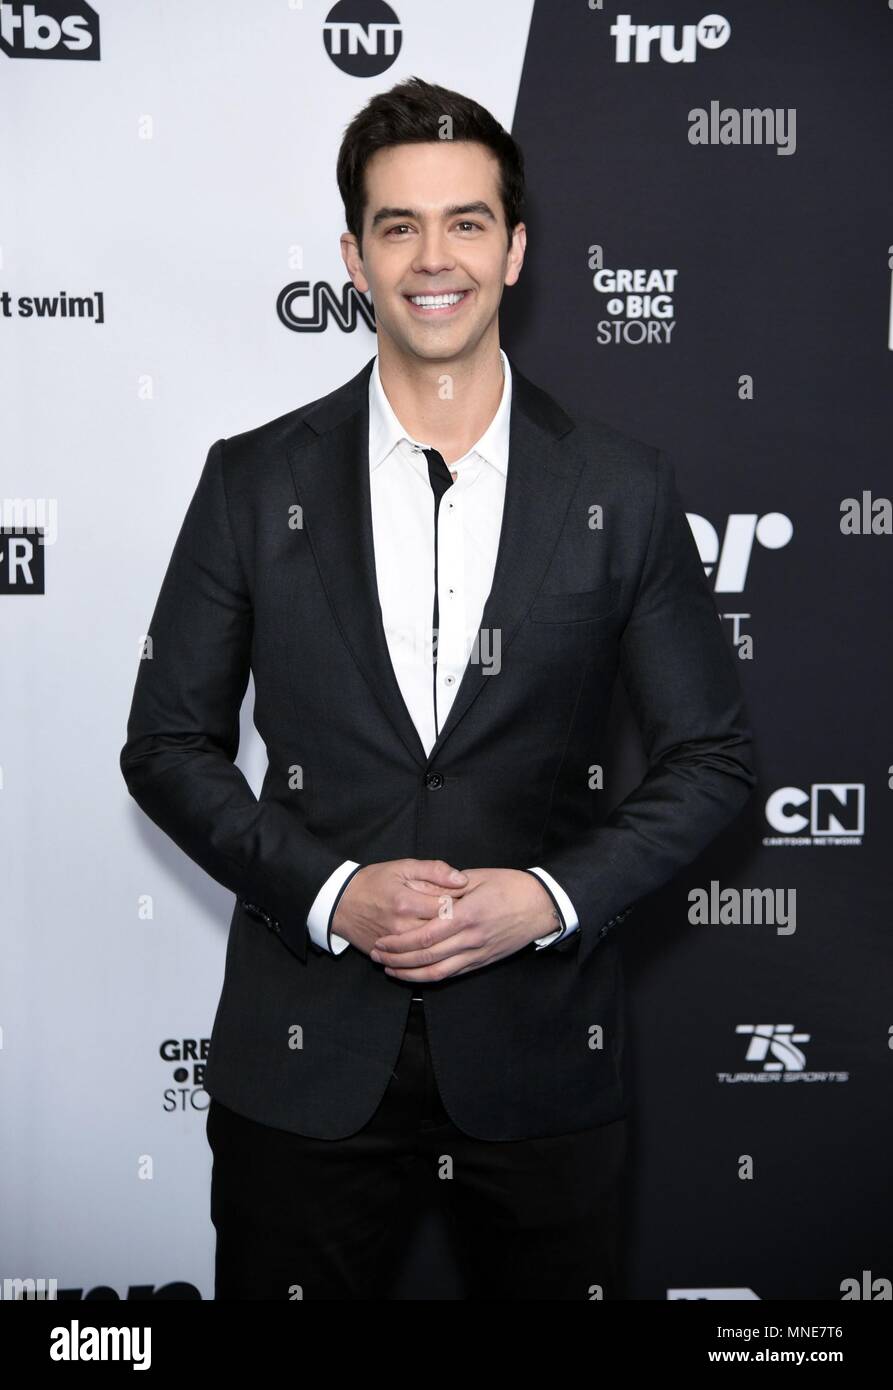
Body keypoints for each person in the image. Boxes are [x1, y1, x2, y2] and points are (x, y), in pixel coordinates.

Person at [119, 76, 756, 1300]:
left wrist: (550, 896)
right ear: (352, 257)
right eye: (398, 226)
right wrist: (335, 890)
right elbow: (166, 744)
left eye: (465, 222)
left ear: (513, 251)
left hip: (539, 1064)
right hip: (302, 1066)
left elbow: (710, 759)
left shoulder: (621, 487)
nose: (433, 258)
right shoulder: (252, 481)